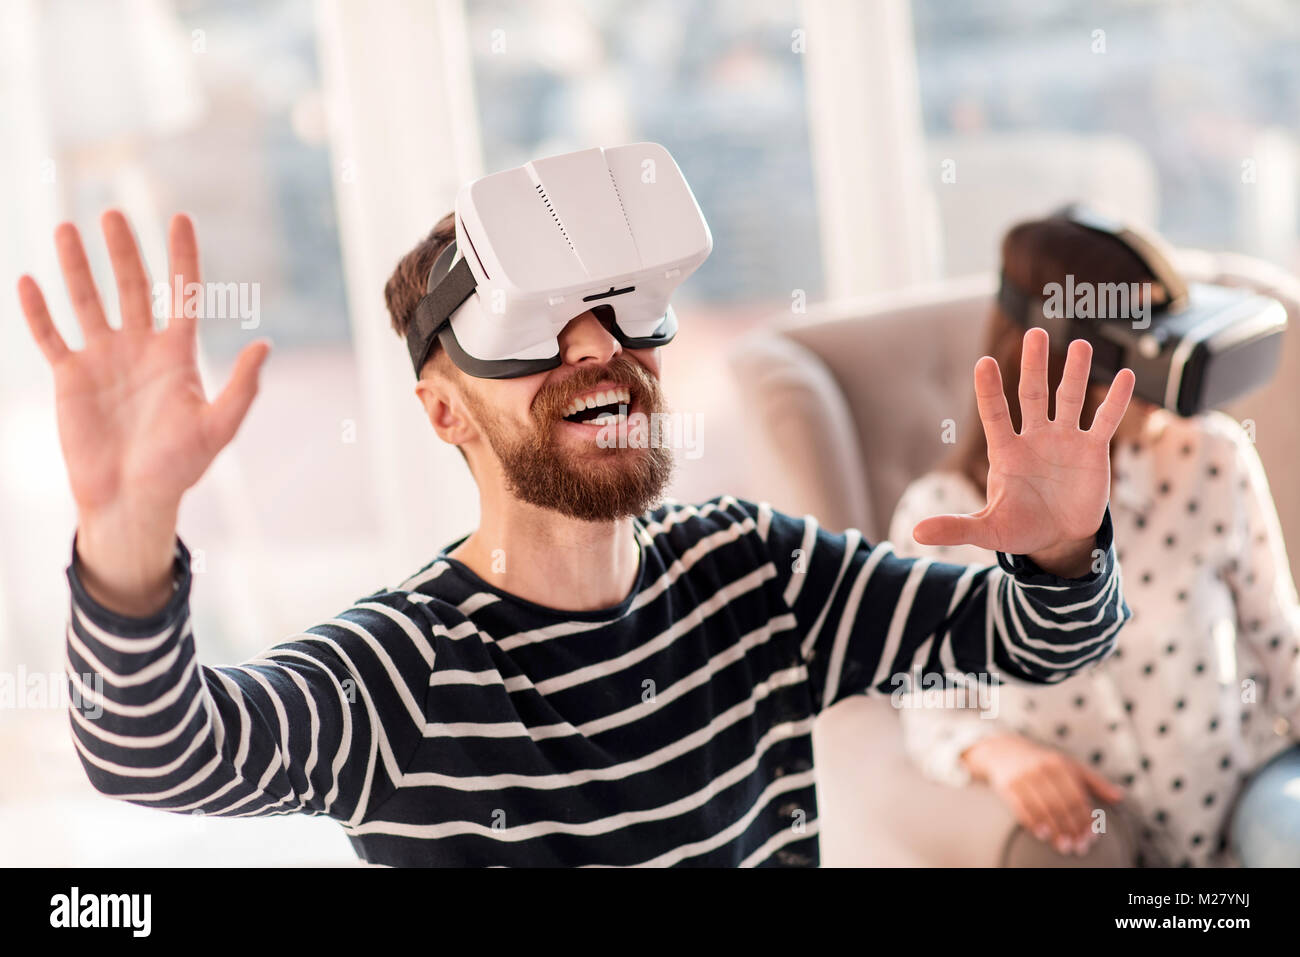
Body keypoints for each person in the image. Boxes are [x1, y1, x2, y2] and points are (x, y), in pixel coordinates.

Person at [21, 192, 1134, 866]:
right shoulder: (401, 671)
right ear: (444, 408)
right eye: (529, 331)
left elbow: (1036, 641)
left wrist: (1055, 553)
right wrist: (125, 539)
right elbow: (156, 753)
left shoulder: (754, 571)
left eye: (617, 314)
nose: (595, 349)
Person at [890, 213, 1300, 867]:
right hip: (1116, 830)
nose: (1166, 381)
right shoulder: (945, 519)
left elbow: (1284, 646)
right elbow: (928, 704)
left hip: (1252, 789)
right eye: (1139, 350)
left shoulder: (1210, 458)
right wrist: (997, 752)